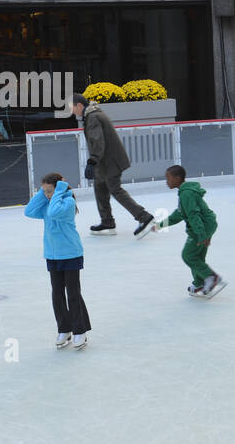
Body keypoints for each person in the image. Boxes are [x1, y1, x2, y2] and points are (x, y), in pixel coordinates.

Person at [71, 92, 156, 238]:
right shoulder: (93, 114)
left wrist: (92, 161)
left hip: (110, 161)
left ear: (79, 105)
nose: (72, 112)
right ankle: (107, 222)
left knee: (115, 190)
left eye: (71, 108)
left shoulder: (93, 117)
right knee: (100, 188)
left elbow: (98, 142)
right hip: (104, 162)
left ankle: (145, 217)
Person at [24, 172, 91, 350]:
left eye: (49, 191)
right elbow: (28, 211)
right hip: (52, 255)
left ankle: (80, 330)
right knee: (57, 294)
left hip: (70, 254)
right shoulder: (48, 202)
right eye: (44, 192)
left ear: (60, 189)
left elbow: (54, 212)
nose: (47, 195)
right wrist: (43, 192)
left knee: (73, 294)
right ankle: (64, 328)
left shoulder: (68, 203)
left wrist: (60, 190)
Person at [158, 165, 225, 298]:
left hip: (201, 226)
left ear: (177, 178)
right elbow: (180, 213)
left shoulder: (186, 194)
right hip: (207, 224)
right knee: (197, 256)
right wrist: (161, 224)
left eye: (168, 178)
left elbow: (194, 215)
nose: (166, 181)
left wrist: (202, 235)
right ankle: (200, 283)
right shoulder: (185, 192)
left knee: (189, 256)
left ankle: (211, 277)